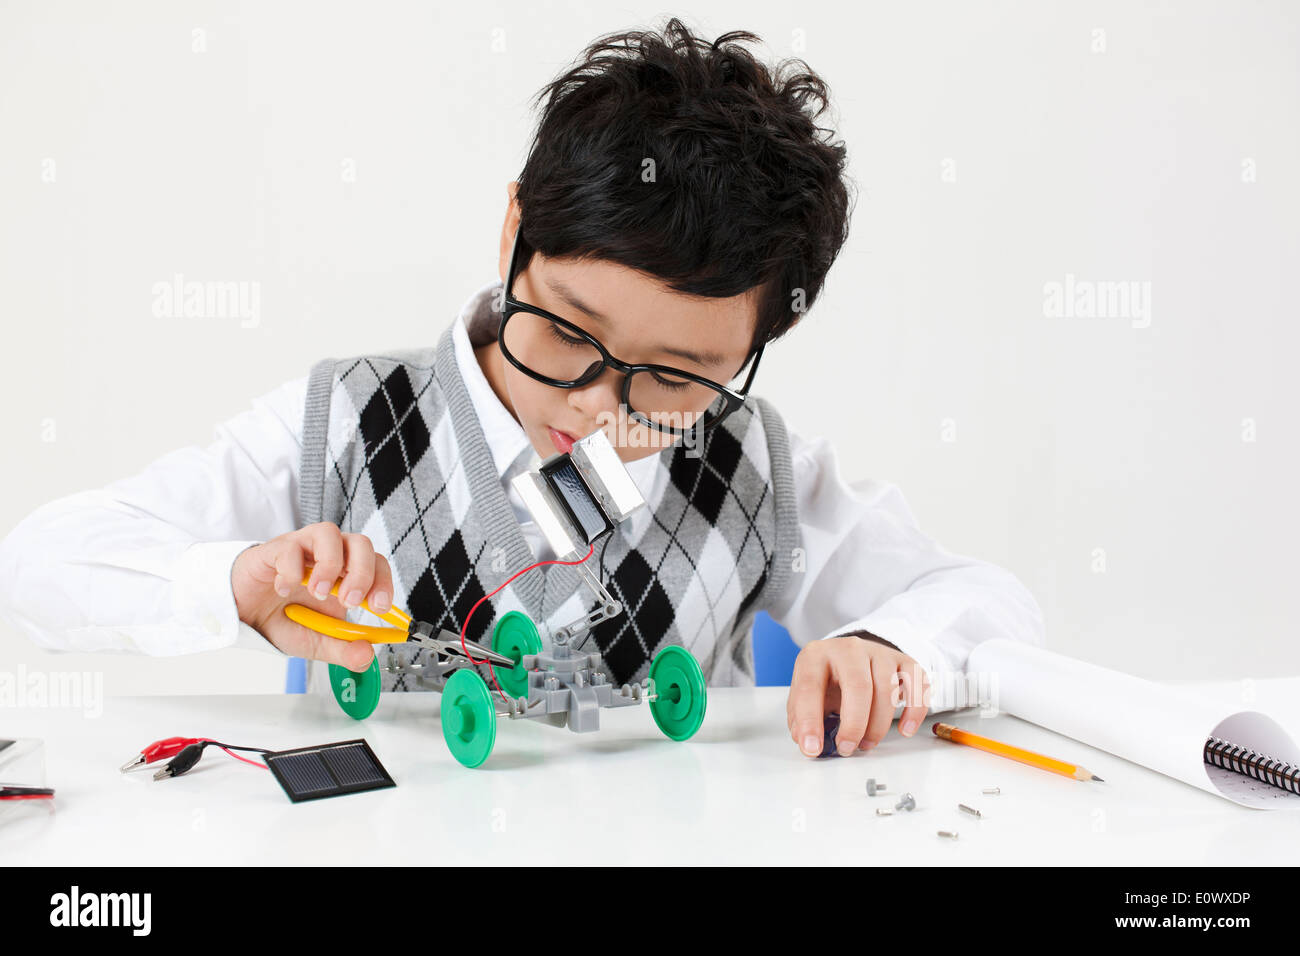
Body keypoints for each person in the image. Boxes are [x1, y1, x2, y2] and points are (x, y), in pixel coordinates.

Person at [0, 18, 1044, 758]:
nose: (596, 405)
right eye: (569, 330)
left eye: (674, 377)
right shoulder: (351, 426)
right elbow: (39, 563)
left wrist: (885, 646)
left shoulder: (755, 470)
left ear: (773, 330)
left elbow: (991, 605)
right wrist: (236, 581)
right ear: (514, 232)